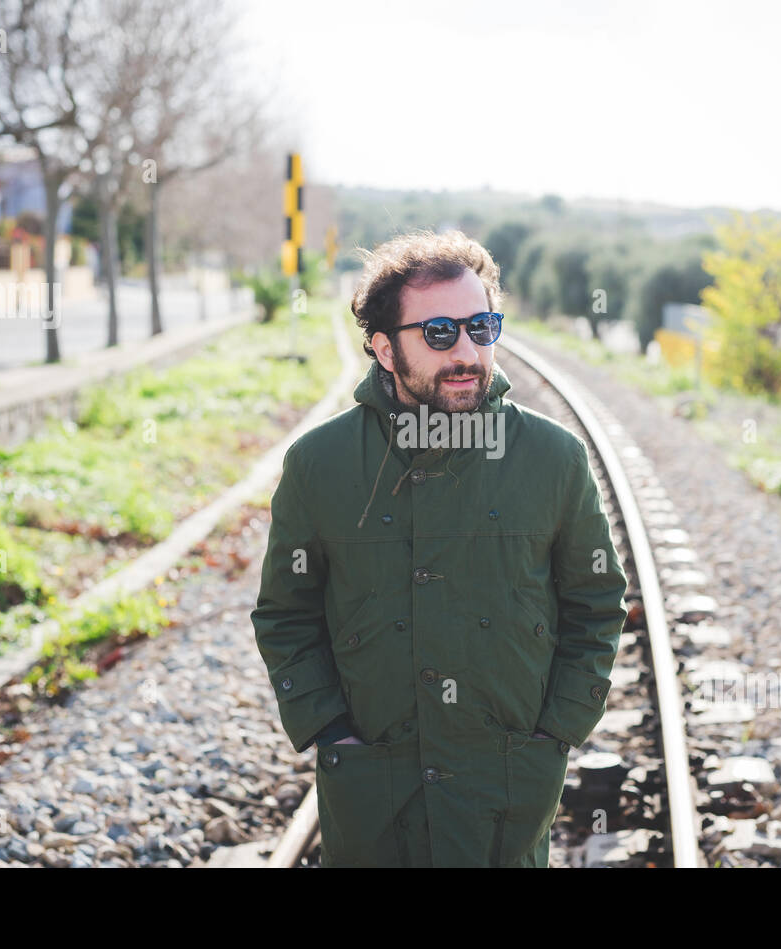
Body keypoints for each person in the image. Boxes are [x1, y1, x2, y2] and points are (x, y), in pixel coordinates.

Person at [250, 228, 627, 867]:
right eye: (440, 333)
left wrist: (556, 733)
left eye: (481, 327)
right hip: (374, 789)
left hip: (506, 786)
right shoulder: (320, 464)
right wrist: (331, 733)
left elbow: (596, 603)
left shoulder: (552, 458)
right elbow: (286, 614)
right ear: (384, 348)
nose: (468, 352)